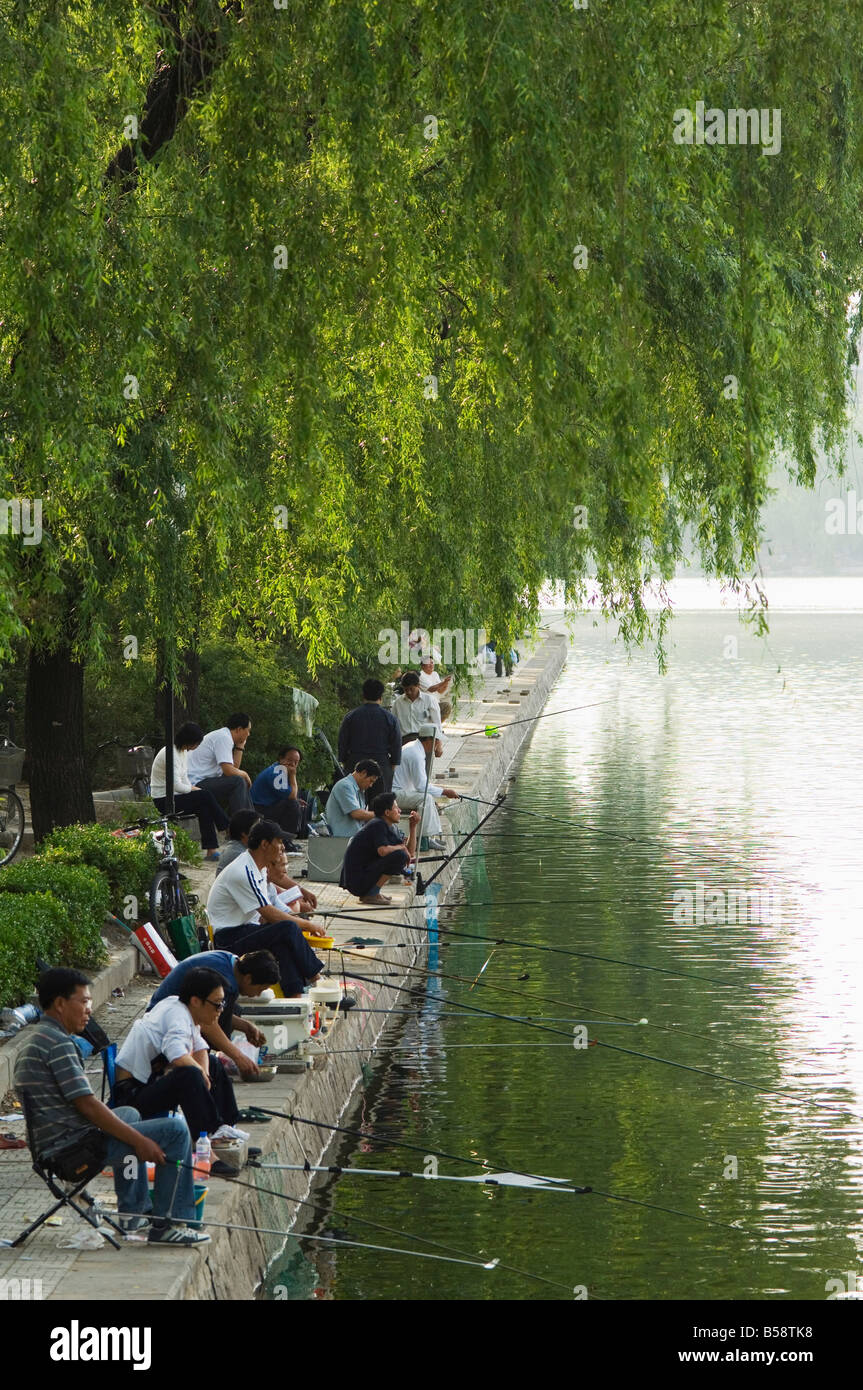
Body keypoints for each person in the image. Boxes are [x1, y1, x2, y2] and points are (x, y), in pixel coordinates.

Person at [13, 968, 208, 1245]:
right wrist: (140, 1141)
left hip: (55, 1146)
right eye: (83, 1002)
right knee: (175, 1131)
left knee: (129, 1114)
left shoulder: (40, 1039)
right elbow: (89, 1106)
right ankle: (169, 1224)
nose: (89, 1010)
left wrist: (133, 1134)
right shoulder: (57, 1045)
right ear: (59, 1003)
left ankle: (134, 1211)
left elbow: (86, 1107)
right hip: (71, 1152)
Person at [114, 967, 240, 1137]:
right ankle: (204, 1138)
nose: (221, 1010)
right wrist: (200, 1073)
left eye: (223, 1004)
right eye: (217, 1004)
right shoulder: (177, 1015)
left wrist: (206, 1074)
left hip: (153, 1082)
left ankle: (227, 1128)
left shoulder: (184, 1009)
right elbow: (176, 1053)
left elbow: (199, 1047)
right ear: (196, 1001)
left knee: (213, 1063)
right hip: (132, 1096)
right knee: (190, 1075)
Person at [206, 819, 326, 997]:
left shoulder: (257, 867)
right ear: (264, 844)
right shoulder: (244, 871)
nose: (282, 847)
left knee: (282, 941)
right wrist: (308, 926)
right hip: (227, 937)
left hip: (246, 929)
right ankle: (316, 978)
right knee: (289, 928)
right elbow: (270, 913)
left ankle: (295, 996)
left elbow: (277, 886)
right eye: (279, 842)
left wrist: (301, 891)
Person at [147, 949, 280, 1079]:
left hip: (170, 1012)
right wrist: (239, 1058)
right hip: (163, 1022)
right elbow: (207, 1023)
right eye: (260, 989)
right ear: (248, 978)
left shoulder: (230, 961)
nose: (257, 995)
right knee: (226, 1019)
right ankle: (189, 1068)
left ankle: (202, 1067)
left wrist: (245, 1026)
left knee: (234, 1010)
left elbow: (211, 1013)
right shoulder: (225, 981)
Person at [151, 721, 230, 862]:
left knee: (204, 806)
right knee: (205, 795)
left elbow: (184, 777)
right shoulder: (170, 753)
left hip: (174, 797)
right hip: (163, 800)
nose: (197, 746)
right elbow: (176, 785)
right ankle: (226, 826)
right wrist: (193, 789)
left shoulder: (182, 752)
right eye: (196, 743)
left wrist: (193, 789)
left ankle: (211, 850)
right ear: (189, 741)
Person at [341, 793, 419, 904]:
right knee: (399, 856)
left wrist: (413, 826)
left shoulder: (389, 826)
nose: (400, 811)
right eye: (396, 808)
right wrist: (401, 847)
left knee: (401, 855)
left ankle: (373, 892)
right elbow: (382, 851)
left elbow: (409, 854)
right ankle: (372, 894)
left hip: (363, 878)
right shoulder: (377, 824)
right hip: (356, 881)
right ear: (387, 812)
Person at [392, 725, 459, 849]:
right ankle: (425, 839)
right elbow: (421, 786)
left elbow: (421, 783)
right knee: (426, 798)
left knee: (429, 797)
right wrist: (445, 791)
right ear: (429, 740)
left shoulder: (415, 748)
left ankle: (432, 836)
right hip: (396, 794)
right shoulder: (415, 754)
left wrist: (440, 791)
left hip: (404, 791)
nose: (439, 744)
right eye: (438, 741)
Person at [338, 679, 402, 794]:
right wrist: (389, 769)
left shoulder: (351, 717)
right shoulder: (390, 719)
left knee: (354, 803)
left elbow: (342, 745)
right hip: (381, 765)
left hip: (355, 765)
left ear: (363, 695)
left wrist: (346, 764)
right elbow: (396, 748)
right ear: (381, 697)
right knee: (380, 805)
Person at [185, 714, 254, 817]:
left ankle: (248, 821)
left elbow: (233, 769)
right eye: (248, 730)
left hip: (202, 782)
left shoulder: (224, 736)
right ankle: (244, 824)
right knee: (238, 781)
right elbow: (229, 771)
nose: (248, 734)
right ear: (239, 729)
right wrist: (245, 774)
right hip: (195, 784)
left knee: (238, 781)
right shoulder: (224, 738)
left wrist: (240, 747)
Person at [250, 745, 310, 850]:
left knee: (296, 803)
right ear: (281, 759)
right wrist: (293, 775)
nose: (293, 764)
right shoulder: (278, 771)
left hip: (265, 808)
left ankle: (285, 840)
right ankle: (285, 841)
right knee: (293, 805)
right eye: (289, 760)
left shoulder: (278, 769)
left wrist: (295, 799)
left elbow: (284, 795)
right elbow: (292, 796)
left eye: (296, 762)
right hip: (260, 812)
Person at [324, 759, 381, 839]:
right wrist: (382, 814)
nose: (371, 785)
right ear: (363, 773)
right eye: (370, 781)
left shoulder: (359, 790)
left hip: (354, 838)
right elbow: (357, 814)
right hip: (342, 839)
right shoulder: (345, 786)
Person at [391, 672, 443, 754]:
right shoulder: (398, 703)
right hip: (404, 741)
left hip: (424, 741)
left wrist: (439, 744)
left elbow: (437, 723)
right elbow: (393, 724)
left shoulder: (429, 700)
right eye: (405, 689)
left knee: (424, 766)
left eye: (411, 689)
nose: (408, 692)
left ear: (418, 685)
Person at [418, 653, 453, 722]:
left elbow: (440, 691)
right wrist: (443, 682)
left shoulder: (435, 674)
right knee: (446, 706)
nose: (431, 665)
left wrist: (446, 683)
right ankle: (436, 726)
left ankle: (437, 726)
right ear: (422, 666)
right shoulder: (420, 675)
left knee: (447, 706)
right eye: (428, 663)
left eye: (432, 663)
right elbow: (431, 689)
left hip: (436, 703)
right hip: (426, 705)